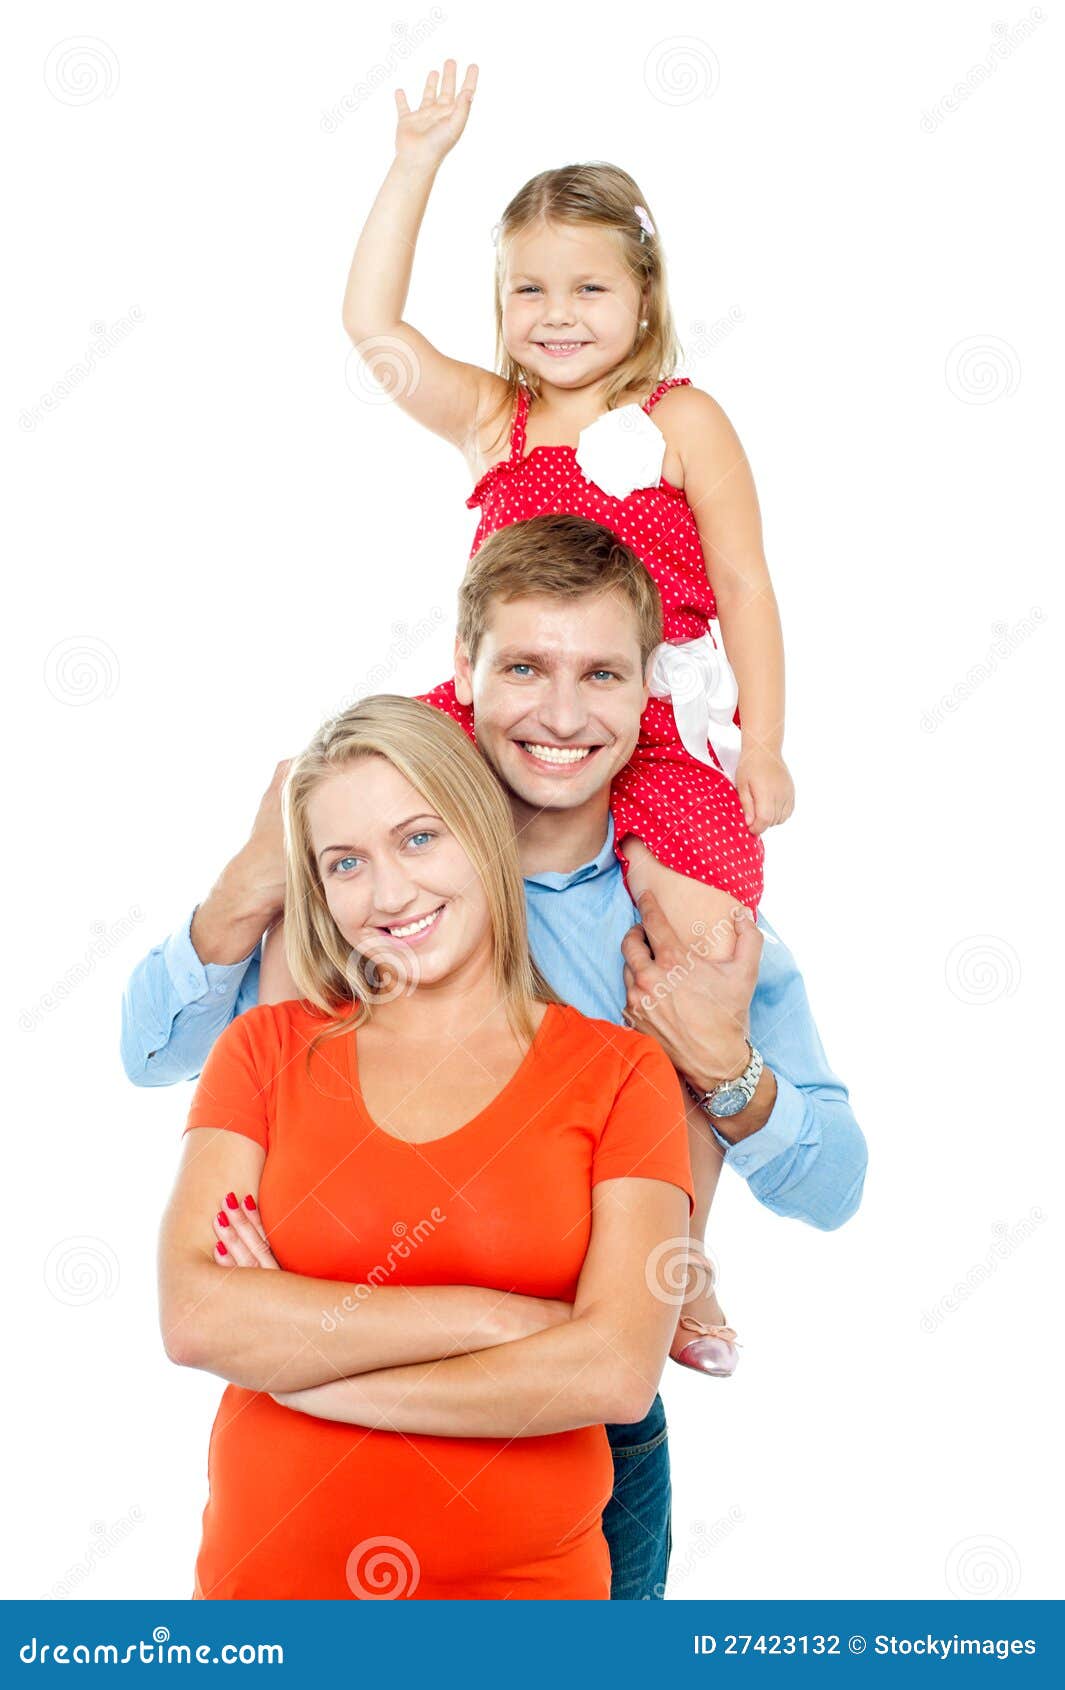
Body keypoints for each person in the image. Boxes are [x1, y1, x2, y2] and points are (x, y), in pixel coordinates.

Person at [122, 512, 867, 1601]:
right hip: (310, 1454)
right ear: (464, 671)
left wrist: (723, 1064)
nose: (562, 715)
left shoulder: (691, 927)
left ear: (646, 690)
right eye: (524, 666)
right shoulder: (375, 875)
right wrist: (254, 877)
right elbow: (156, 1055)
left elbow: (835, 1187)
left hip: (564, 1438)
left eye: (602, 674)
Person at [341, 59, 795, 1358]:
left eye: (588, 285)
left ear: (642, 296)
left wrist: (760, 740)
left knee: (702, 950)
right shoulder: (498, 420)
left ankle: (677, 1255)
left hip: (652, 719)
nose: (556, 312)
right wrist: (417, 159)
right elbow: (369, 329)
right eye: (527, 288)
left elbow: (750, 578)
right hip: (501, 716)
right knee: (365, 808)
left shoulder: (684, 416)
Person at [158, 695, 695, 1599]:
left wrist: (308, 1372)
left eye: (417, 839)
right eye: (346, 863)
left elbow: (611, 1371)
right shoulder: (265, 1050)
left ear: (483, 832)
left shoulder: (620, 1073)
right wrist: (494, 1322)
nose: (391, 894)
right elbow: (197, 1318)